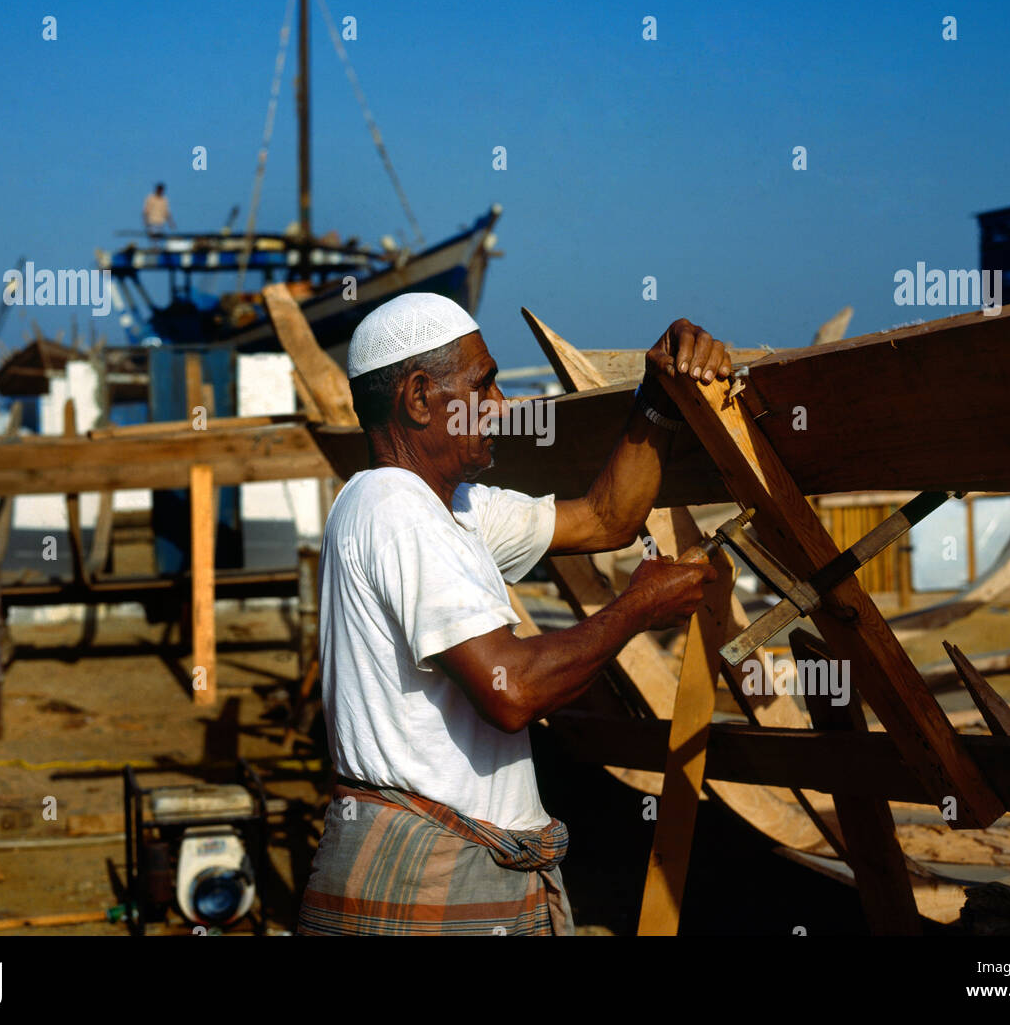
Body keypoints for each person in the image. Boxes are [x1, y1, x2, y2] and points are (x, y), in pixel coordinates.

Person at [295, 292, 730, 936]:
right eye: (484, 385)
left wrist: (658, 396)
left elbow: (609, 518)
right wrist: (638, 606)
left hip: (451, 867)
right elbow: (513, 691)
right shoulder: (394, 507)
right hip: (432, 878)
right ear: (419, 398)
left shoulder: (455, 507)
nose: (500, 408)